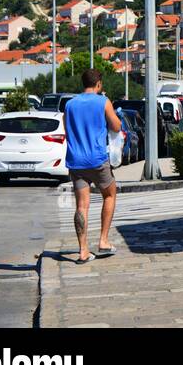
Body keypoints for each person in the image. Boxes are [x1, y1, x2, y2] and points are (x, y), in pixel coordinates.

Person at [63, 68, 123, 264]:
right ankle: (103, 241)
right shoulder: (103, 102)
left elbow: (66, 127)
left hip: (76, 162)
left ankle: (83, 251)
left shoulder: (70, 105)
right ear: (98, 84)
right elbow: (116, 126)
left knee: (82, 206)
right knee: (110, 194)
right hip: (97, 160)